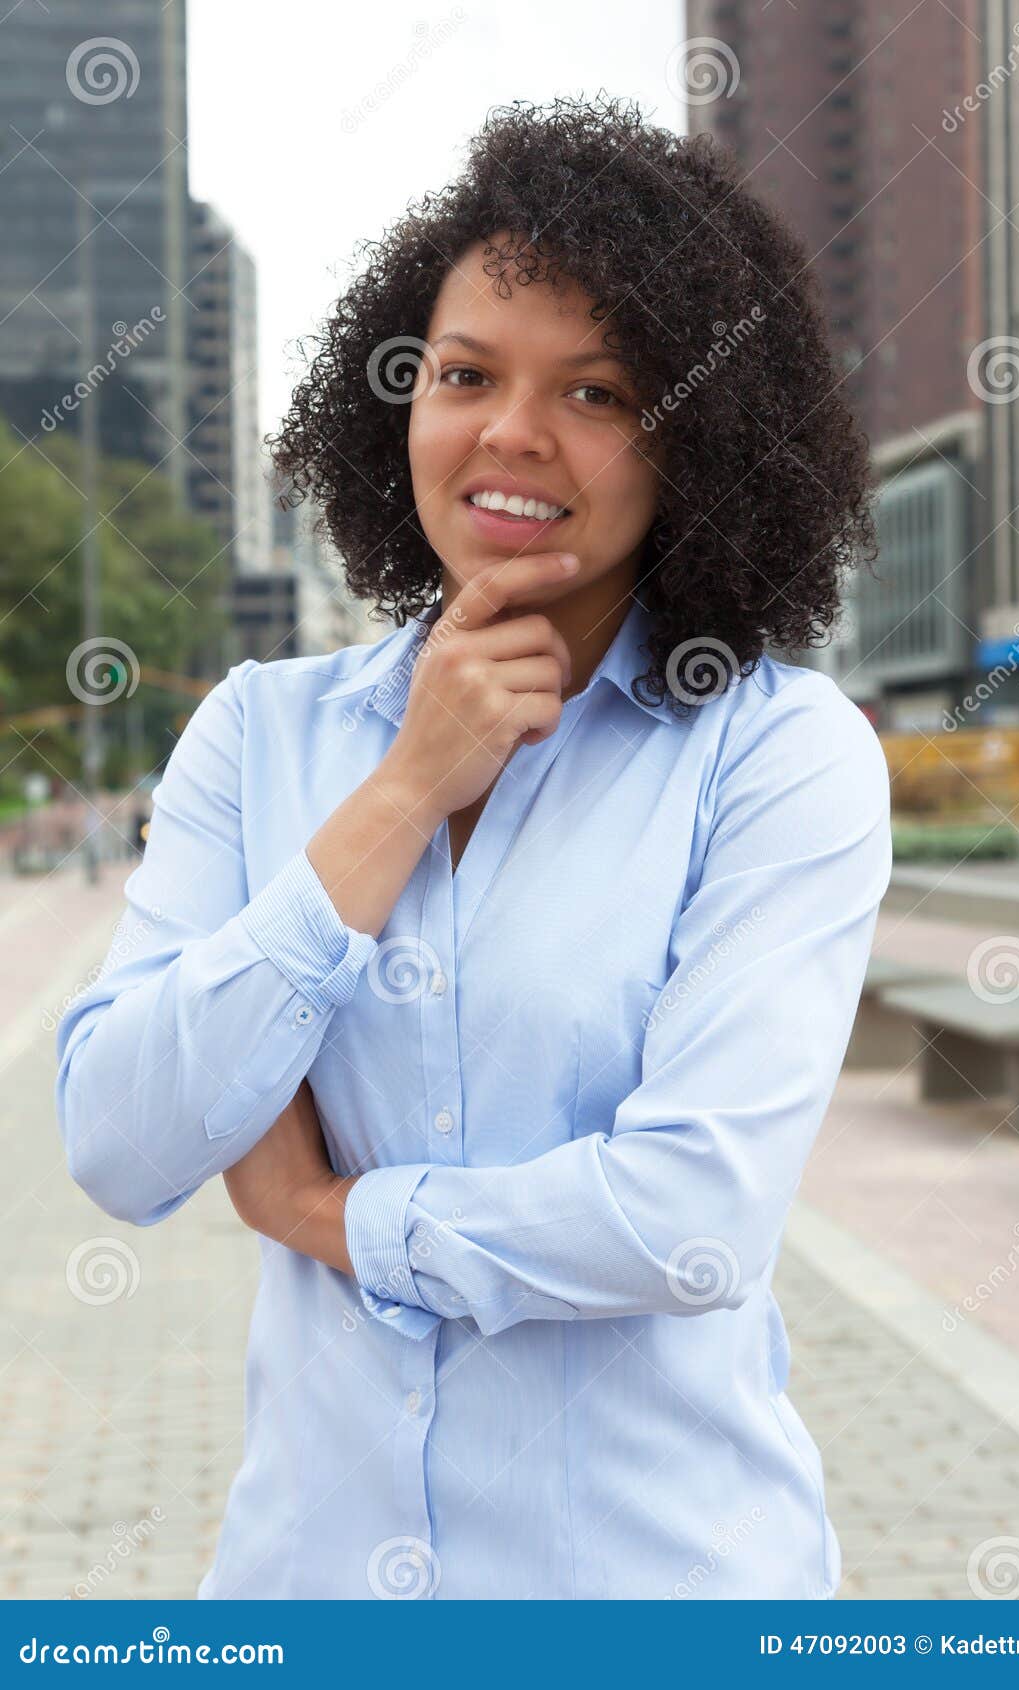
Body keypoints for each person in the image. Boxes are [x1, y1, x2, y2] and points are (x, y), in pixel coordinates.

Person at [55, 95, 890, 1600]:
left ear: (695, 436)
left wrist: (333, 1214)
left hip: (655, 1591)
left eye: (599, 390)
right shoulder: (261, 736)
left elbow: (691, 1217)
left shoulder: (773, 753)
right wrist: (397, 797)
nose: (512, 431)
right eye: (464, 374)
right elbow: (119, 1138)